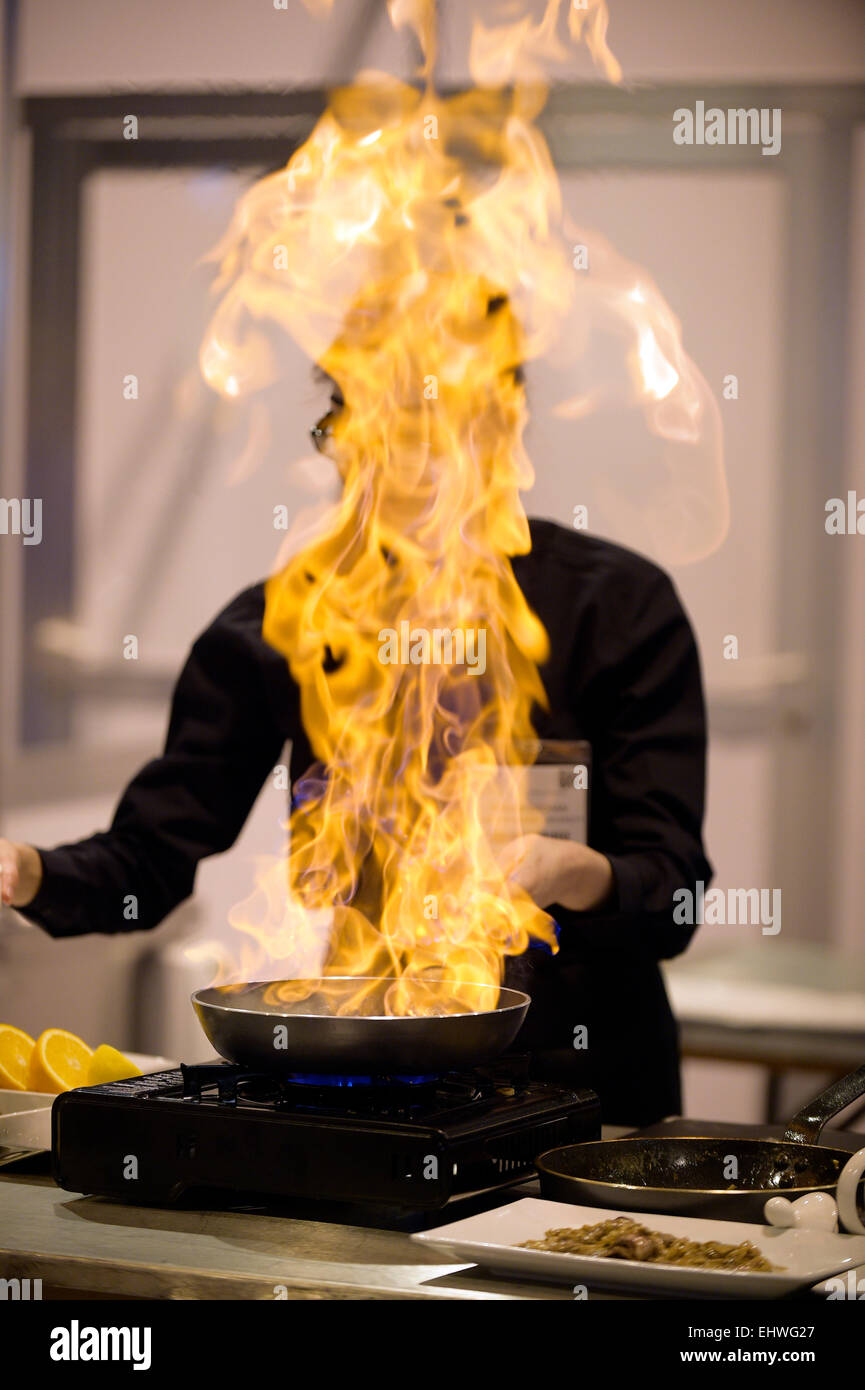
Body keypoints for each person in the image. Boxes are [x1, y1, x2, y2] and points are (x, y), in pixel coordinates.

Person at [0, 380, 712, 1127]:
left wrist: (574, 871)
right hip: (369, 1077)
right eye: (354, 438)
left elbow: (672, 893)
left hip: (590, 1090)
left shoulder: (616, 608)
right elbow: (149, 858)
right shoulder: (279, 622)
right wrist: (29, 871)